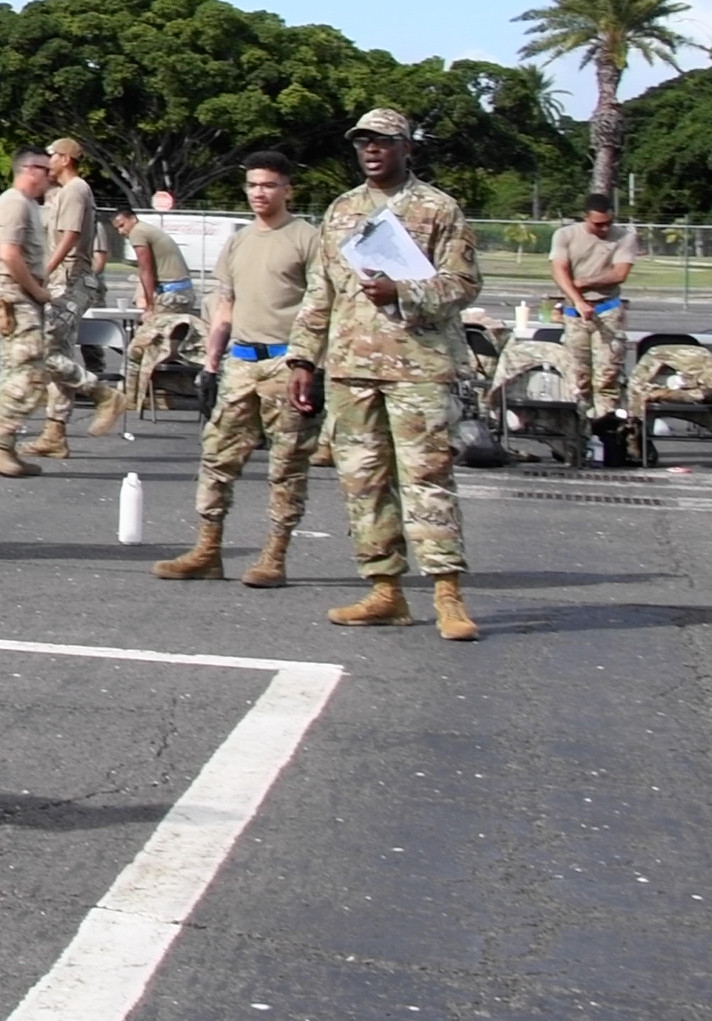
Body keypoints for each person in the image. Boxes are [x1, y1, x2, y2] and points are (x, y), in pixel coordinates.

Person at [289, 109, 484, 641]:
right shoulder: (342, 210)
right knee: (363, 482)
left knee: (426, 480)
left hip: (418, 366)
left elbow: (463, 283)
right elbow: (319, 291)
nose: (371, 150)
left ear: (406, 148)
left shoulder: (438, 208)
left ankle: (447, 593)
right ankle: (384, 590)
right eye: (363, 143)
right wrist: (303, 359)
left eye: (382, 142)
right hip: (352, 368)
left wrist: (404, 292)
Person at [158, 153, 323, 586]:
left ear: (287, 189)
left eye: (268, 185)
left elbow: (324, 307)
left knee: (287, 465)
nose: (258, 193)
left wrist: (312, 365)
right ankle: (208, 549)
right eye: (252, 185)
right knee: (216, 457)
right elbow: (225, 305)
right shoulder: (239, 240)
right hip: (241, 363)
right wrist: (211, 363)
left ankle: (274, 556)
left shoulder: (307, 238)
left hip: (287, 363)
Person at [0, 151, 125, 476]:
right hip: (14, 293)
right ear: (30, 171)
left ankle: (3, 443)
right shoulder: (15, 203)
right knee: (27, 370)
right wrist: (38, 289)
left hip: (25, 292)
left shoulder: (35, 202)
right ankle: (2, 442)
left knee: (28, 367)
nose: (49, 177)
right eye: (44, 171)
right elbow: (10, 255)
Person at [550, 194, 638, 447]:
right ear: (585, 217)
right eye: (598, 224)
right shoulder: (565, 235)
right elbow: (559, 269)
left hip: (607, 309)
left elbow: (619, 274)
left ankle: (607, 433)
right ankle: (577, 434)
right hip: (575, 311)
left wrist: (585, 282)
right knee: (578, 377)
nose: (604, 228)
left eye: (608, 223)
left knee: (607, 376)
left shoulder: (624, 237)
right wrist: (577, 298)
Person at [39, 139, 106, 442]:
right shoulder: (68, 191)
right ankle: (55, 431)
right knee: (58, 350)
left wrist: (45, 271)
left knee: (45, 345)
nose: (47, 160)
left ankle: (101, 392)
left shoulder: (76, 189)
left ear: (65, 159)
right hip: (64, 277)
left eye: (51, 155)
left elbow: (71, 236)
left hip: (71, 278)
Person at [115, 206, 198, 410]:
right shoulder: (148, 230)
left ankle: (129, 396)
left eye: (122, 225)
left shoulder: (139, 232)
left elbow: (146, 269)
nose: (121, 231)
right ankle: (149, 390)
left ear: (131, 219)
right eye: (117, 228)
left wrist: (150, 306)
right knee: (158, 345)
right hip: (179, 292)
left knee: (139, 348)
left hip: (171, 295)